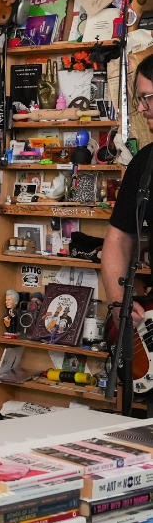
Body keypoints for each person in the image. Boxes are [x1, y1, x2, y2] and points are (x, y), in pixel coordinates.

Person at [103, 53, 153, 327]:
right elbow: (119, 238)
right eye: (140, 99)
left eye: (148, 97)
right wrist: (117, 300)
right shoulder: (145, 162)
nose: (142, 108)